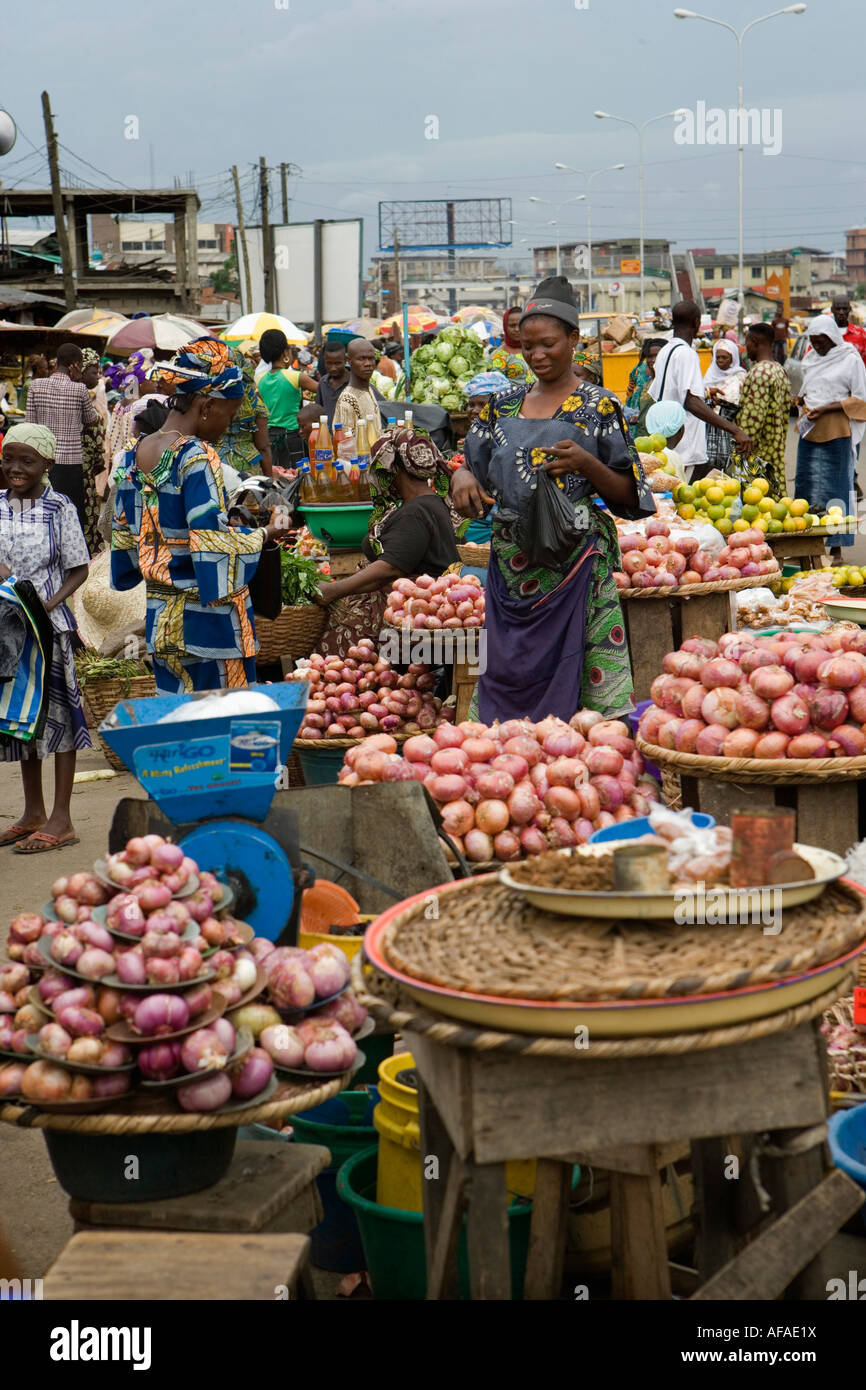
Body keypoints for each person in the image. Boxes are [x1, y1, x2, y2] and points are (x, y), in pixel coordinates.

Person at [451, 276, 655, 723]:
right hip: (510, 572)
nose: (537, 356)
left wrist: (588, 463)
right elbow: (470, 464)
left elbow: (629, 497)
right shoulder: (501, 406)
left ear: (574, 340)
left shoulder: (598, 407)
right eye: (527, 346)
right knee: (505, 694)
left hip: (578, 569)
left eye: (548, 344)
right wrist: (462, 475)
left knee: (592, 710)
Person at [111, 338, 289, 694]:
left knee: (179, 725)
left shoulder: (135, 454)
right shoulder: (196, 456)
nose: (228, 423)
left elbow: (125, 534)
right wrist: (266, 533)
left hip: (160, 618)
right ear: (207, 406)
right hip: (208, 623)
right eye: (230, 412)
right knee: (223, 724)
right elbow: (211, 545)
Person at [0, 423, 91, 853]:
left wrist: (48, 604)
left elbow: (79, 568)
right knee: (24, 721)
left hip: (48, 629)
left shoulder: (59, 507)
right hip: (8, 631)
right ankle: (32, 811)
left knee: (60, 719)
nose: (16, 468)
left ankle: (62, 818)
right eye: (8, 459)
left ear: (47, 464)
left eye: (26, 461)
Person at [312, 426, 460, 656]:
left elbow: (390, 567)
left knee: (333, 656)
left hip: (406, 621)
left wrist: (333, 590)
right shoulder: (434, 503)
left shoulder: (416, 512)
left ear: (394, 469)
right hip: (420, 611)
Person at [649, 301, 751, 478]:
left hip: (668, 443)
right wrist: (734, 430)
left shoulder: (665, 350)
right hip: (685, 446)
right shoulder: (686, 353)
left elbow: (664, 393)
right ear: (697, 322)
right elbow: (691, 401)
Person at [794, 314, 866, 564]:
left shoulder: (850, 359)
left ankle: (836, 550)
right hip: (810, 430)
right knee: (806, 487)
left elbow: (859, 399)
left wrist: (826, 408)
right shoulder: (810, 359)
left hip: (837, 429)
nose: (818, 347)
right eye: (813, 341)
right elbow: (809, 389)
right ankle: (806, 545)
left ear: (833, 338)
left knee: (836, 489)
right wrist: (802, 402)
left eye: (821, 341)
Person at [25, 342, 98, 530]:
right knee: (68, 517)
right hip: (71, 462)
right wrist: (79, 380)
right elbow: (92, 420)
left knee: (42, 514)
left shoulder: (36, 386)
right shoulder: (80, 389)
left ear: (57, 362)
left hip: (42, 459)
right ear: (75, 365)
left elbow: (30, 424)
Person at [733, 322, 791, 498]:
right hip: (775, 451)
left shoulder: (759, 373)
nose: (745, 348)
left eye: (747, 343)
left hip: (758, 458)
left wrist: (740, 448)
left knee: (758, 509)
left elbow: (751, 423)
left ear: (754, 341)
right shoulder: (779, 370)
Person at [256, 329, 318, 471]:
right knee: (298, 477)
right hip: (293, 437)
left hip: (270, 439)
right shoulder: (295, 376)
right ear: (285, 352)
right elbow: (322, 389)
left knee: (279, 477)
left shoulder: (260, 380)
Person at [215, 347, 273, 478]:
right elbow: (263, 447)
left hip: (215, 468)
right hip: (248, 469)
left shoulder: (208, 401)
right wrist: (270, 482)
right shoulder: (254, 401)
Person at [76, 347, 109, 554]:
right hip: (82, 467)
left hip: (87, 468)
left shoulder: (90, 395)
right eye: (93, 370)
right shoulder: (80, 397)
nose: (97, 375)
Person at [702, 340, 747, 471]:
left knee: (730, 465)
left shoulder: (741, 377)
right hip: (710, 427)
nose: (720, 360)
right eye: (718, 357)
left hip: (732, 427)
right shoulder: (709, 376)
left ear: (733, 358)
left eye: (725, 357)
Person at [336, 338, 383, 439]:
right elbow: (346, 445)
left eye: (371, 358)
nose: (368, 364)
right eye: (361, 359)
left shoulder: (369, 390)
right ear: (349, 361)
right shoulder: (347, 400)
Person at [489, 305, 534, 384]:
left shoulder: (535, 350)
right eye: (512, 325)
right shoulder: (499, 356)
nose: (516, 329)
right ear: (505, 327)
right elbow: (495, 387)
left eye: (520, 325)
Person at [315, 341, 349, 426]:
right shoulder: (323, 383)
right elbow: (319, 409)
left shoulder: (354, 382)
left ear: (345, 360)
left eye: (337, 363)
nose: (333, 368)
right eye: (329, 363)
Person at [831, 295, 866, 370]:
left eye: (844, 309)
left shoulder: (861, 334)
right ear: (832, 310)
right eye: (838, 309)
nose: (841, 312)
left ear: (849, 309)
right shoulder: (824, 335)